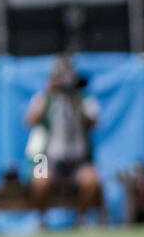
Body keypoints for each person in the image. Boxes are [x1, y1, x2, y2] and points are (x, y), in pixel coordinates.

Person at [22, 56, 102, 225]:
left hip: (78, 159)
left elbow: (95, 123)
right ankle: (41, 220)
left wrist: (76, 101)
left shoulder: (83, 98)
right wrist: (49, 92)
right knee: (40, 181)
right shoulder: (44, 98)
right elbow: (30, 121)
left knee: (91, 180)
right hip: (48, 158)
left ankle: (82, 218)